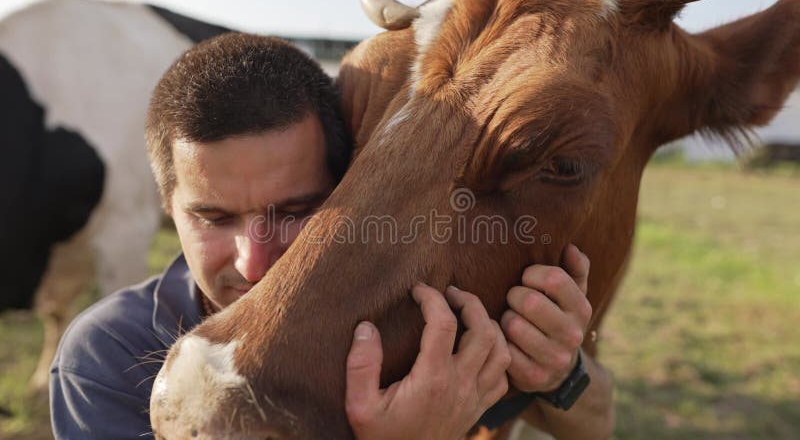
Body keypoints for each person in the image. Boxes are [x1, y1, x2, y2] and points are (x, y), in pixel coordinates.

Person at [50, 33, 613, 439]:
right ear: (167, 209)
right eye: (214, 218)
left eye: (298, 211)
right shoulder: (107, 357)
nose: (254, 263)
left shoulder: (405, 317)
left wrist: (561, 372)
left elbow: (597, 422)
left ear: (352, 189)